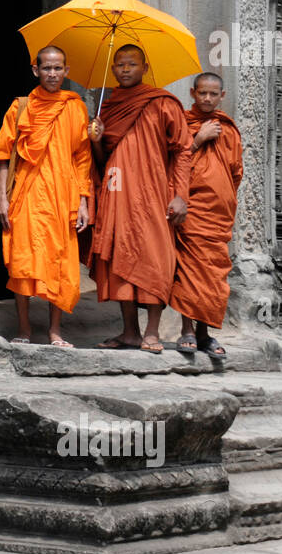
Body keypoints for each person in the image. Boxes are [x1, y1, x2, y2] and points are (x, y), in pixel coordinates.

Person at [87, 44, 192, 353]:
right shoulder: (107, 105)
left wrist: (181, 195)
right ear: (113, 69)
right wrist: (95, 140)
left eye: (132, 64)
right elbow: (103, 157)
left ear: (145, 67)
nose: (125, 69)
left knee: (153, 259)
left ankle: (152, 332)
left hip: (152, 194)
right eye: (119, 64)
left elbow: (184, 150)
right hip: (117, 192)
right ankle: (130, 332)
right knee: (118, 259)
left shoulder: (162, 103)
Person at [0, 45, 92, 346]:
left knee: (59, 261)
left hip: (63, 195)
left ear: (66, 71)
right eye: (47, 68)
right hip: (27, 194)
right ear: (36, 70)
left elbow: (82, 158)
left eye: (58, 68)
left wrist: (83, 201)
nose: (53, 74)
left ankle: (55, 331)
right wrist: (3, 199)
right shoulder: (21, 106)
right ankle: (24, 329)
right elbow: (3, 155)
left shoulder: (75, 107)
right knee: (23, 261)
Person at [170, 72, 243, 358]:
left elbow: (236, 172)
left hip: (218, 214)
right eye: (203, 93)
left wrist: (225, 199)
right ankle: (187, 331)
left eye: (214, 94)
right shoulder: (184, 125)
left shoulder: (229, 129)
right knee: (189, 270)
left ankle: (204, 334)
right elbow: (173, 162)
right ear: (193, 93)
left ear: (222, 96)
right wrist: (198, 140)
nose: (208, 99)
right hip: (193, 209)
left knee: (213, 275)